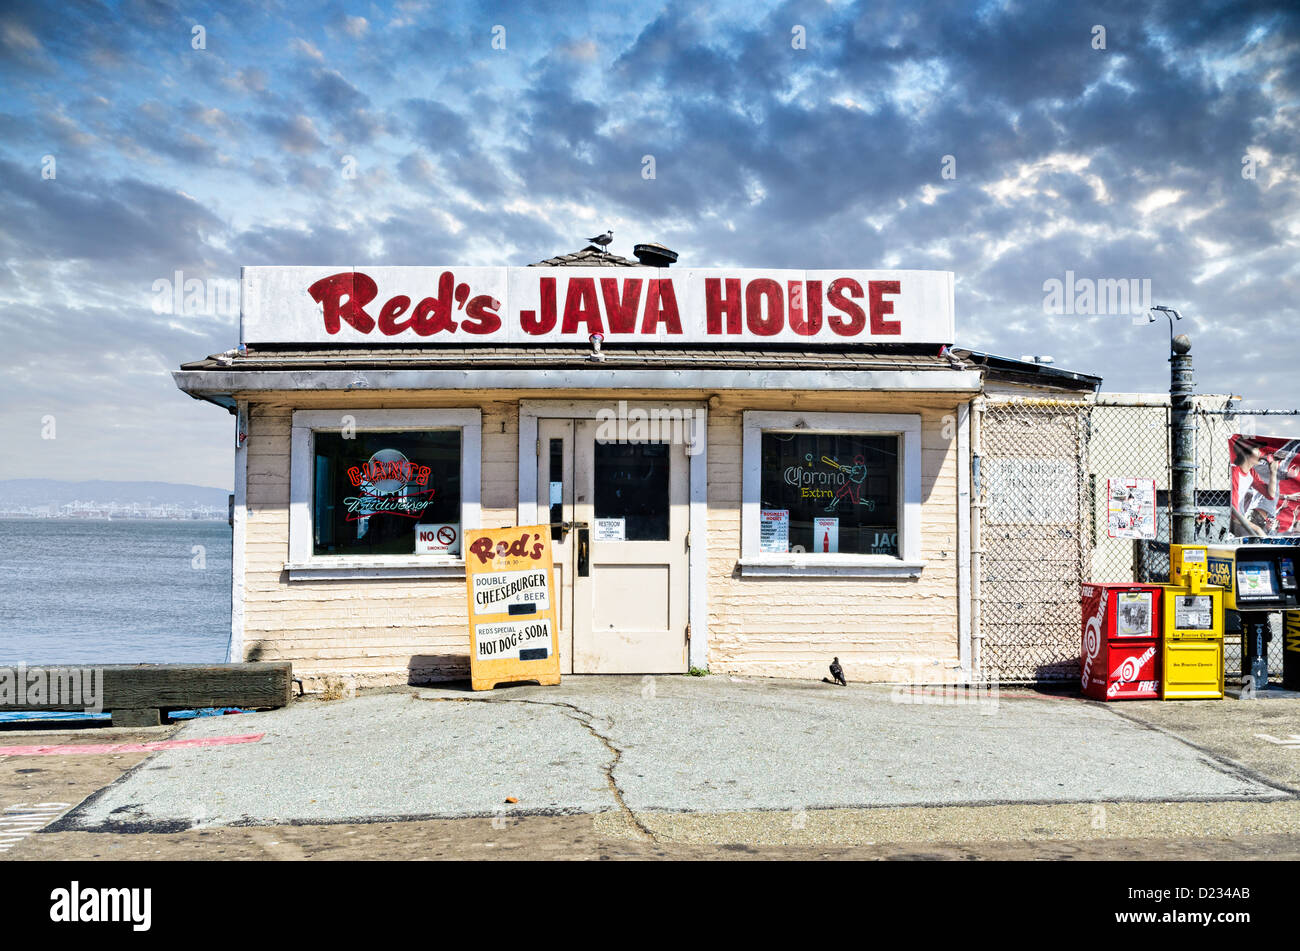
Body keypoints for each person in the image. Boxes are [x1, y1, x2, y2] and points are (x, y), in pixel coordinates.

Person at [1230, 437, 1279, 537]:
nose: (1261, 453)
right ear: (1246, 453)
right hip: (1232, 520)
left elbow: (1270, 495)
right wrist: (1257, 529)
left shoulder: (1251, 473)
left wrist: (1273, 472)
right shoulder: (1234, 472)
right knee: (1257, 536)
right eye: (1257, 449)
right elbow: (1234, 515)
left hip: (1239, 519)